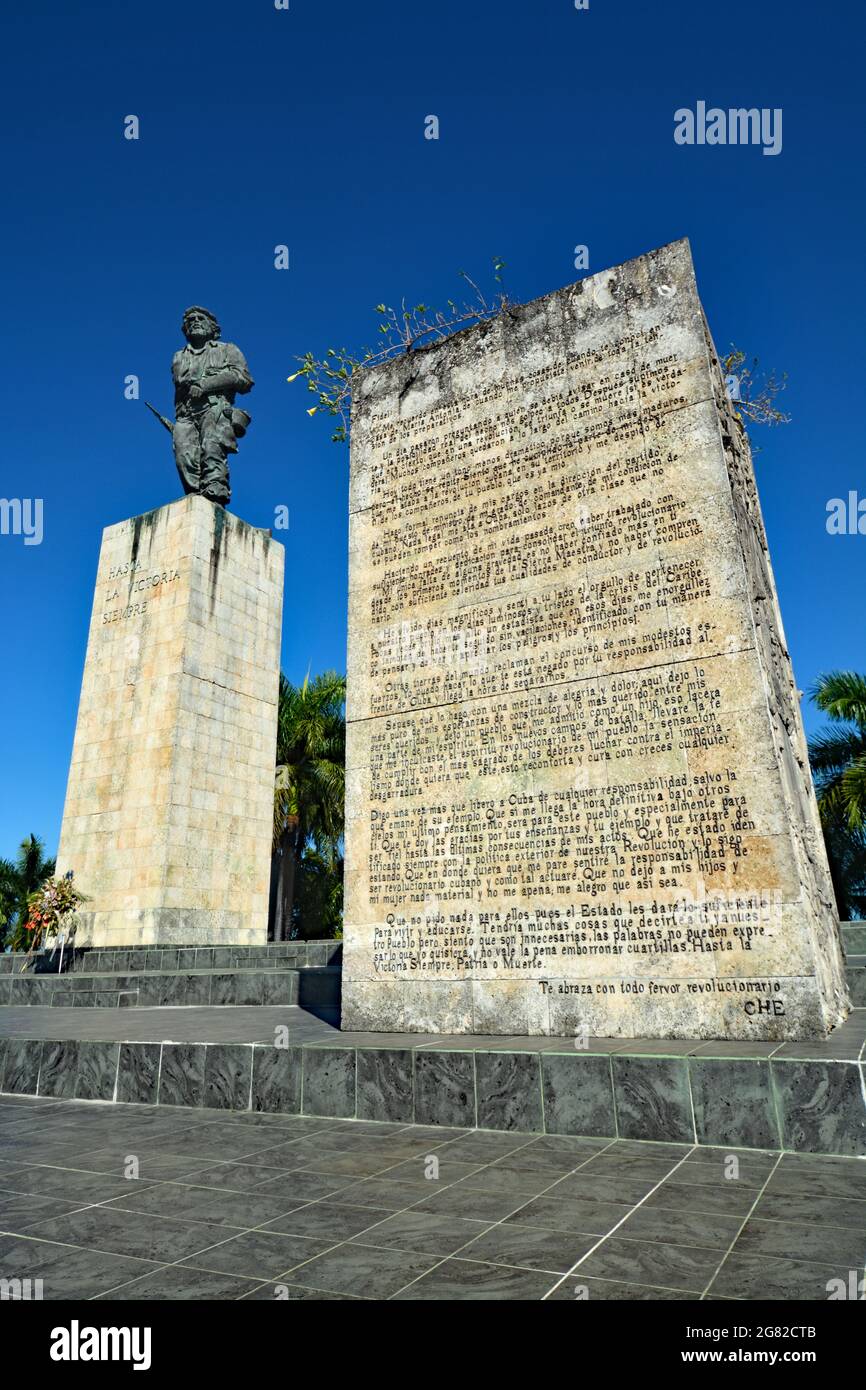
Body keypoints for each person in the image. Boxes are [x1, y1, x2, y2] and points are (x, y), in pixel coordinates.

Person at [171, 306, 254, 507]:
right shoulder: (179, 357)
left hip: (215, 408)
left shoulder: (227, 350)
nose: (195, 321)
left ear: (213, 328)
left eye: (201, 318)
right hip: (187, 414)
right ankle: (196, 495)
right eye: (190, 320)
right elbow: (181, 381)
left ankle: (215, 496)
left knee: (212, 449)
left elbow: (243, 380)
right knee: (184, 453)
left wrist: (205, 384)